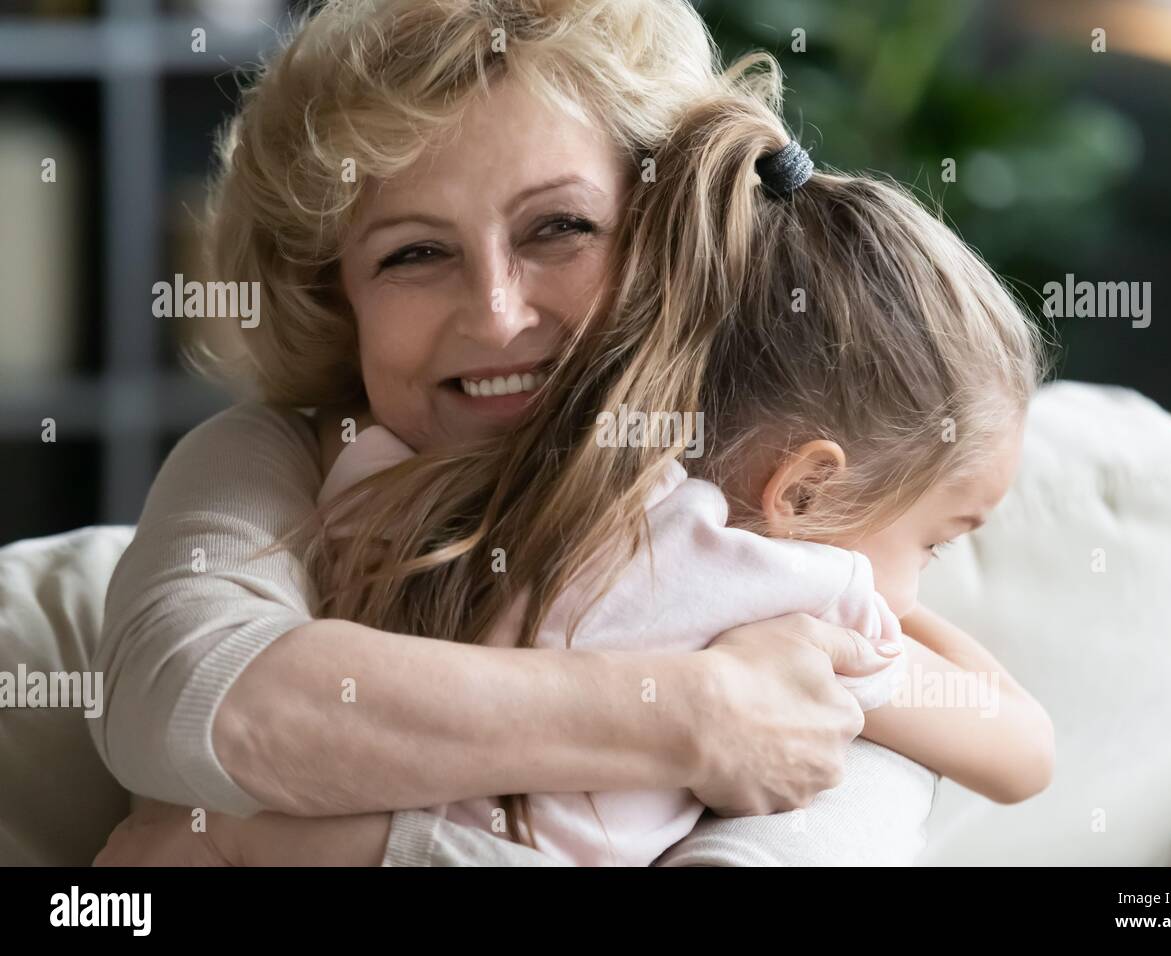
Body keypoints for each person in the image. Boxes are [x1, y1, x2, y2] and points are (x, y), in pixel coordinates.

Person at [90, 0, 916, 865]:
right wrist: (695, 713)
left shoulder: (751, 462)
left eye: (560, 228)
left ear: (666, 234)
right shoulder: (278, 454)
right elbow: (189, 697)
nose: (494, 315)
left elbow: (901, 740)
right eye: (414, 253)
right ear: (336, 295)